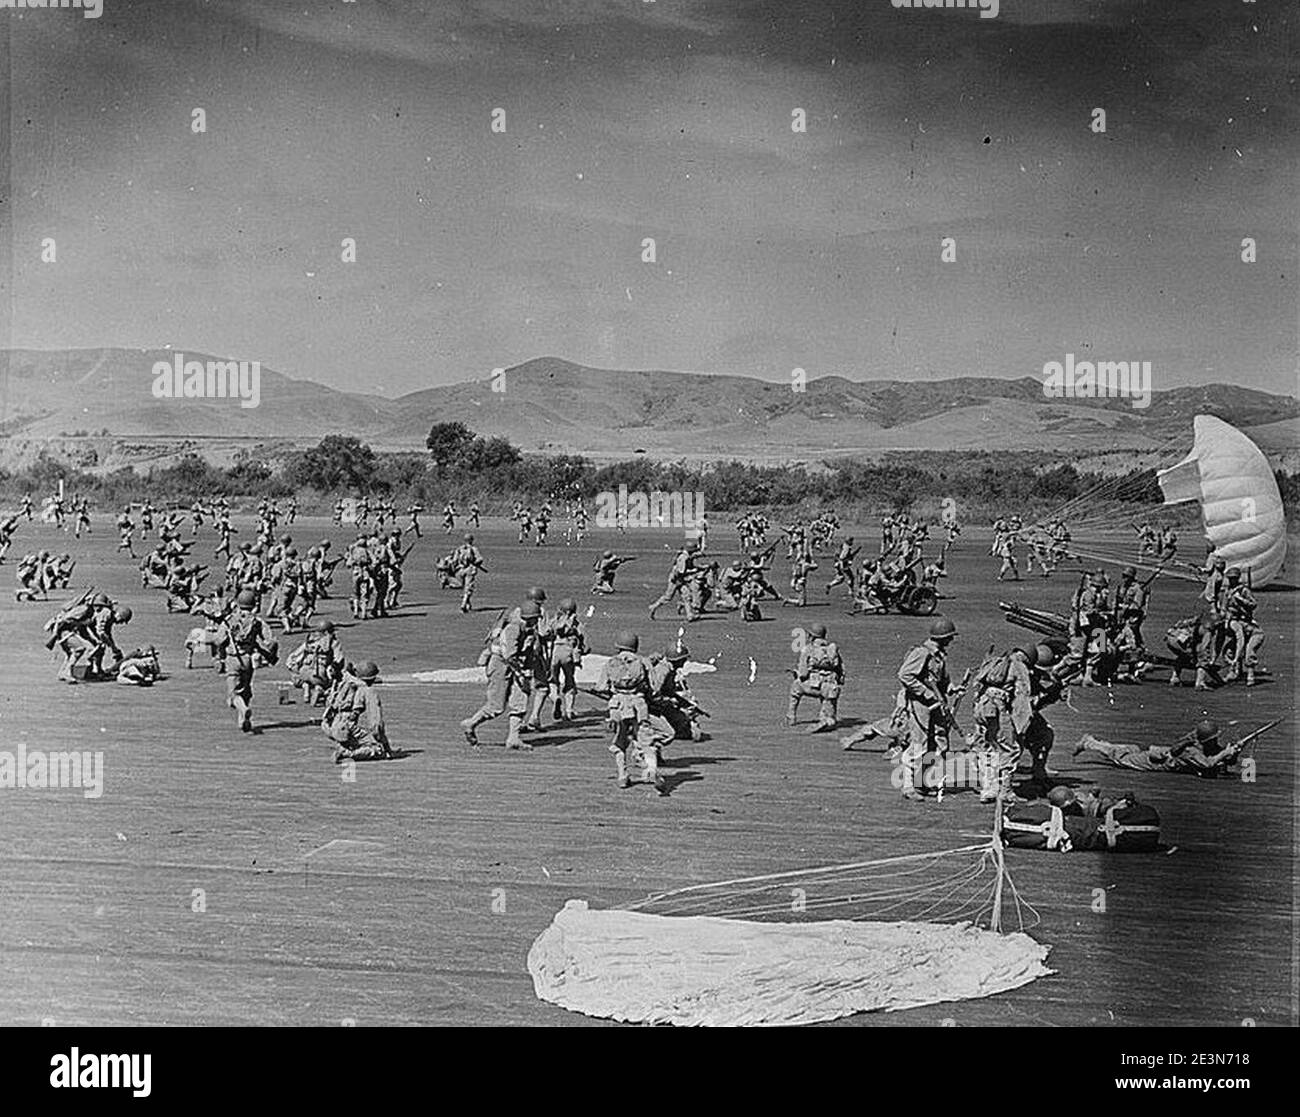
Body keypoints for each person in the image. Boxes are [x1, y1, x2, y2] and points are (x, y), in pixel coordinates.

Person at [594, 631, 672, 793]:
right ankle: (651, 771)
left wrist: (614, 692)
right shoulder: (643, 662)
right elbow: (655, 688)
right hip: (638, 705)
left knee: (619, 742)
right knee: (646, 740)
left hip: (617, 707)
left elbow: (601, 687)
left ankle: (622, 775)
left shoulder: (610, 663)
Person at [460, 600, 541, 750]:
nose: (537, 621)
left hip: (516, 666)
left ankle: (513, 738)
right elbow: (510, 655)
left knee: (521, 699)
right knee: (496, 706)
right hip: (500, 665)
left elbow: (528, 652)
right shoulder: (513, 628)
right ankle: (471, 724)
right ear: (528, 617)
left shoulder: (528, 628)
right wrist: (520, 672)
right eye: (535, 618)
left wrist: (527, 672)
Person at [896, 618, 959, 801]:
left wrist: (951, 689)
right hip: (921, 704)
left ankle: (922, 783)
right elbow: (905, 675)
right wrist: (926, 693)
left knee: (938, 742)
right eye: (950, 637)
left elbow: (941, 680)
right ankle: (909, 786)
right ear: (943, 637)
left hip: (937, 704)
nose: (952, 641)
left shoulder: (939, 655)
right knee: (919, 743)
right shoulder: (922, 653)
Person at [1073, 719, 1244, 777]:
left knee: (1125, 750)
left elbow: (1221, 760)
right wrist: (1226, 752)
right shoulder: (1191, 750)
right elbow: (1208, 764)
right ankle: (1090, 743)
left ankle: (1094, 742)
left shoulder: (1203, 745)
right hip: (1153, 761)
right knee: (1119, 757)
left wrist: (1233, 753)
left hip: (1159, 752)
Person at [218, 589, 279, 733]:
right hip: (248, 660)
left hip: (233, 658)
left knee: (233, 696)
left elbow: (219, 640)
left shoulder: (229, 620)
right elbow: (270, 641)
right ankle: (243, 721)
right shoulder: (257, 622)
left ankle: (244, 710)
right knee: (245, 689)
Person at [328, 662, 394, 763]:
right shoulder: (368, 691)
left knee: (356, 737)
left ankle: (346, 745)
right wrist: (385, 744)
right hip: (348, 727)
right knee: (378, 750)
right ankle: (346, 753)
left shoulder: (345, 684)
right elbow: (376, 724)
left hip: (335, 726)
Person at [787, 624, 843, 733]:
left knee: (795, 687)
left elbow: (803, 673)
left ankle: (791, 715)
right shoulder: (832, 649)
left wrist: (797, 673)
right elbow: (841, 671)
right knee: (829, 711)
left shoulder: (808, 649)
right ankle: (826, 718)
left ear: (812, 636)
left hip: (814, 686)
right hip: (831, 687)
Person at [1222, 567, 1264, 686]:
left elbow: (1253, 604)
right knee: (1230, 651)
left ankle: (1250, 676)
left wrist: (1240, 600)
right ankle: (1234, 672)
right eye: (1230, 579)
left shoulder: (1243, 591)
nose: (1232, 581)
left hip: (1251, 629)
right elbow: (1224, 607)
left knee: (1248, 652)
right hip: (1238, 622)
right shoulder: (1227, 591)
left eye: (1234, 578)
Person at [548, 598, 586, 721]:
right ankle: (569, 711)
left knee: (553, 681)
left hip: (554, 652)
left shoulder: (555, 621)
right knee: (569, 681)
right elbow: (583, 643)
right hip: (568, 653)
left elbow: (546, 633)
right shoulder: (576, 624)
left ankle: (555, 698)